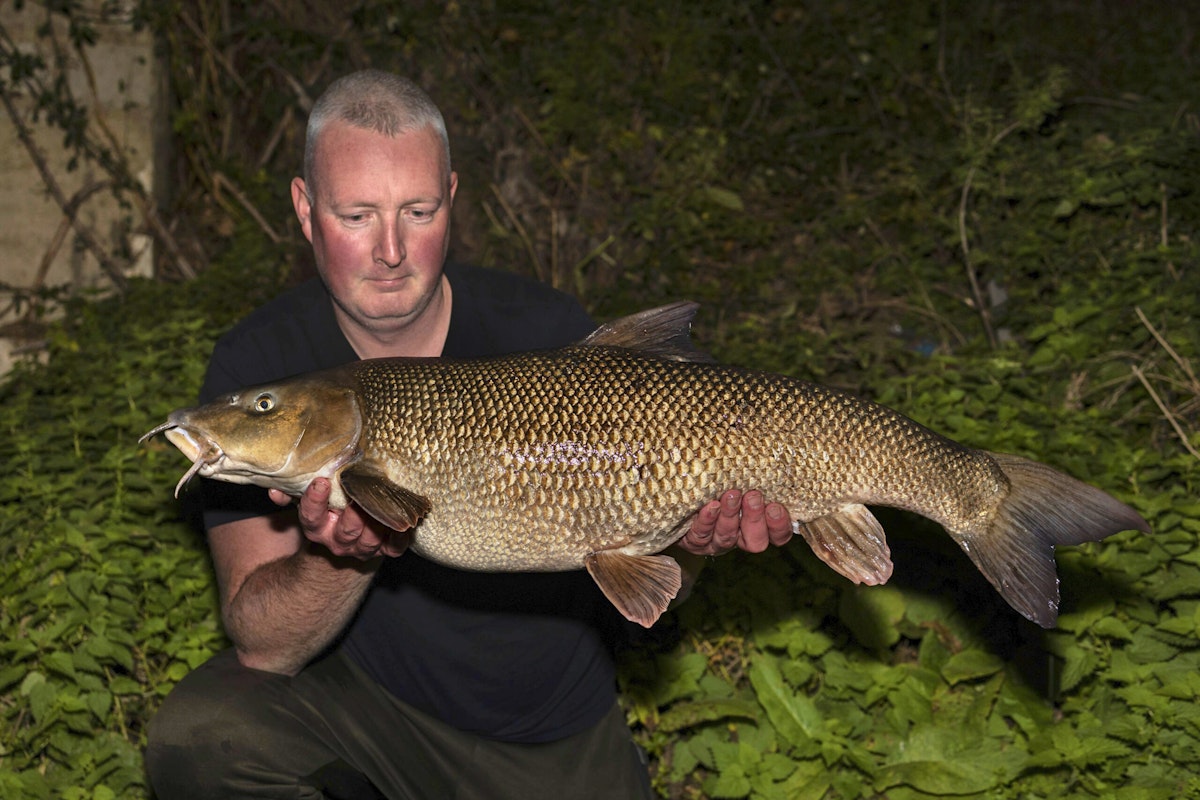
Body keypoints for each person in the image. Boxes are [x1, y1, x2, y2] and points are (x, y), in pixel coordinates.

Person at [144, 69, 793, 800]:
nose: (390, 249)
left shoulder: (542, 331)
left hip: (552, 731)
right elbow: (263, 644)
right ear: (305, 208)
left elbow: (661, 589)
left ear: (451, 200)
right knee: (204, 738)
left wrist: (690, 541)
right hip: (370, 720)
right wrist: (344, 556)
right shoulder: (263, 361)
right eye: (357, 216)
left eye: (417, 212)